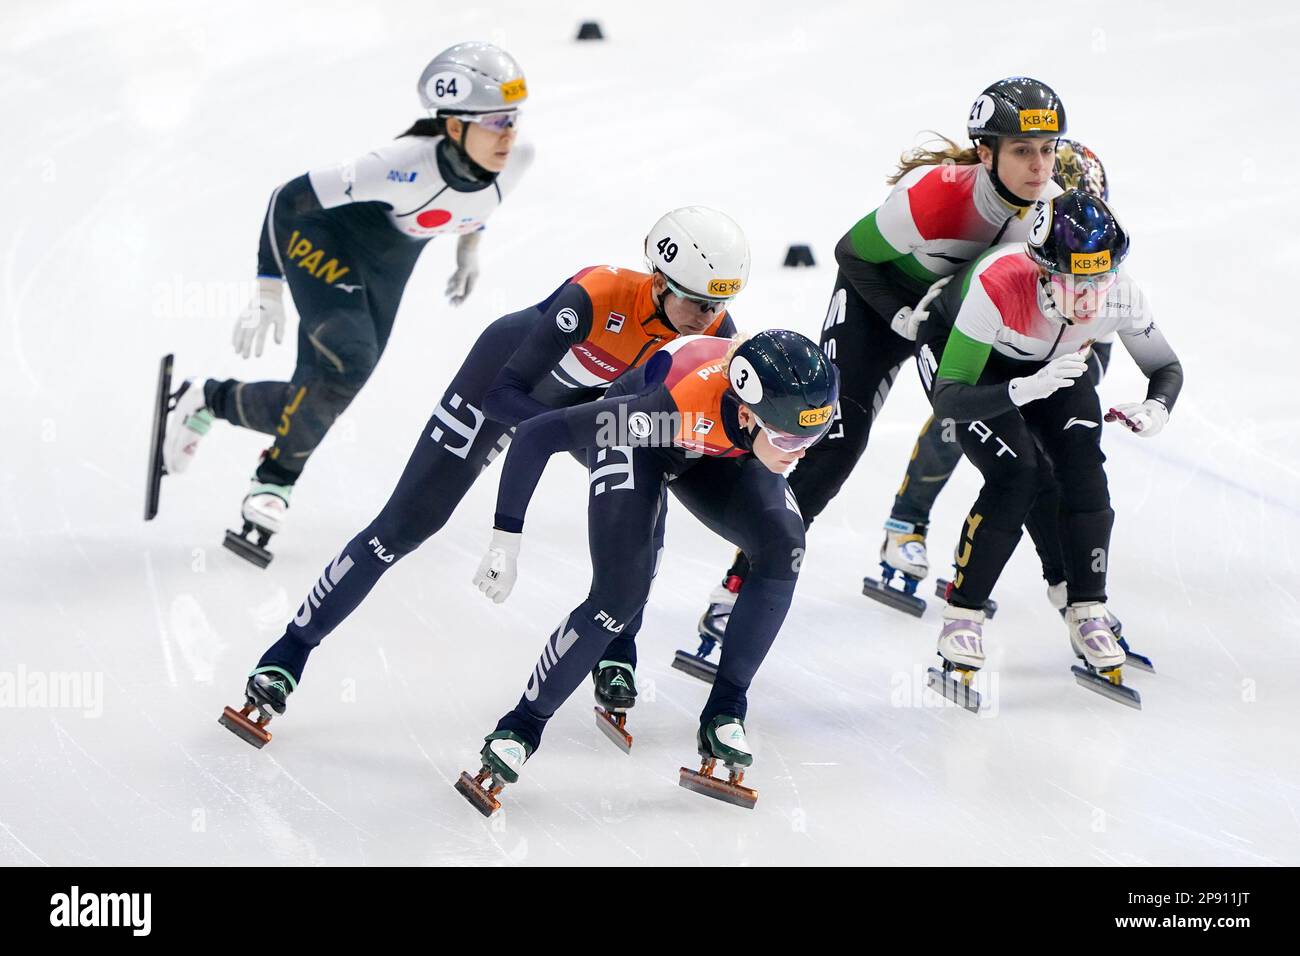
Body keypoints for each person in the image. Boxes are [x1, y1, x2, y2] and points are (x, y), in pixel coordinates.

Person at [216, 206, 748, 749]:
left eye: (720, 305)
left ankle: (617, 649)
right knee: (404, 527)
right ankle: (288, 653)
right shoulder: (599, 294)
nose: (708, 318)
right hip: (501, 386)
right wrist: (560, 432)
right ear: (659, 281)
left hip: (582, 411)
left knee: (646, 503)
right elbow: (502, 395)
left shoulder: (715, 334)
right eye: (698, 301)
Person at [689, 77, 1069, 651]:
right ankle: (737, 585)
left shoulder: (1047, 212)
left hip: (949, 320)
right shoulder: (938, 197)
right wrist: (896, 316)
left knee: (1018, 449)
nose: (1040, 166)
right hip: (876, 304)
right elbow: (850, 251)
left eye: (1048, 150)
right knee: (836, 442)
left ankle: (1072, 593)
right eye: (1022, 150)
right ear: (985, 153)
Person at [156, 42, 534, 565]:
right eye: (495, 122)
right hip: (322, 238)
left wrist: (468, 254)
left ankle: (207, 399)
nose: (509, 135)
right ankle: (273, 483)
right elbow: (288, 199)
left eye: (512, 119)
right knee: (346, 361)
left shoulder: (518, 161)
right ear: (453, 127)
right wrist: (269, 290)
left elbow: (476, 207)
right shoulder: (399, 165)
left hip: (389, 261)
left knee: (333, 385)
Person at [455, 329, 839, 815]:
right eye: (789, 437)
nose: (802, 451)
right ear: (746, 413)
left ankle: (725, 710)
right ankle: (522, 725)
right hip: (647, 440)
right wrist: (505, 539)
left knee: (785, 546)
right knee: (620, 594)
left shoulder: (808, 388)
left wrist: (782, 436)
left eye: (813, 435)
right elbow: (538, 434)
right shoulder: (659, 411)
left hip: (718, 448)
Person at [916, 189, 1183, 712]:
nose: (1090, 297)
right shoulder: (998, 286)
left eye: (1099, 280)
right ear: (1041, 271)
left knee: (1084, 470)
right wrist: (1023, 390)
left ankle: (1087, 610)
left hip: (1054, 362)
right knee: (1017, 474)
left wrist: (1156, 409)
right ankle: (963, 616)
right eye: (1074, 282)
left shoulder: (1121, 295)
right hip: (971, 359)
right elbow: (949, 401)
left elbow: (1166, 368)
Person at [876, 139, 1114, 598]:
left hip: (1054, 346)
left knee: (1047, 452)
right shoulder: (1023, 220)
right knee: (963, 419)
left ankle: (1068, 581)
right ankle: (906, 522)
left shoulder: (1094, 243)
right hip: (990, 332)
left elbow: (1102, 332)